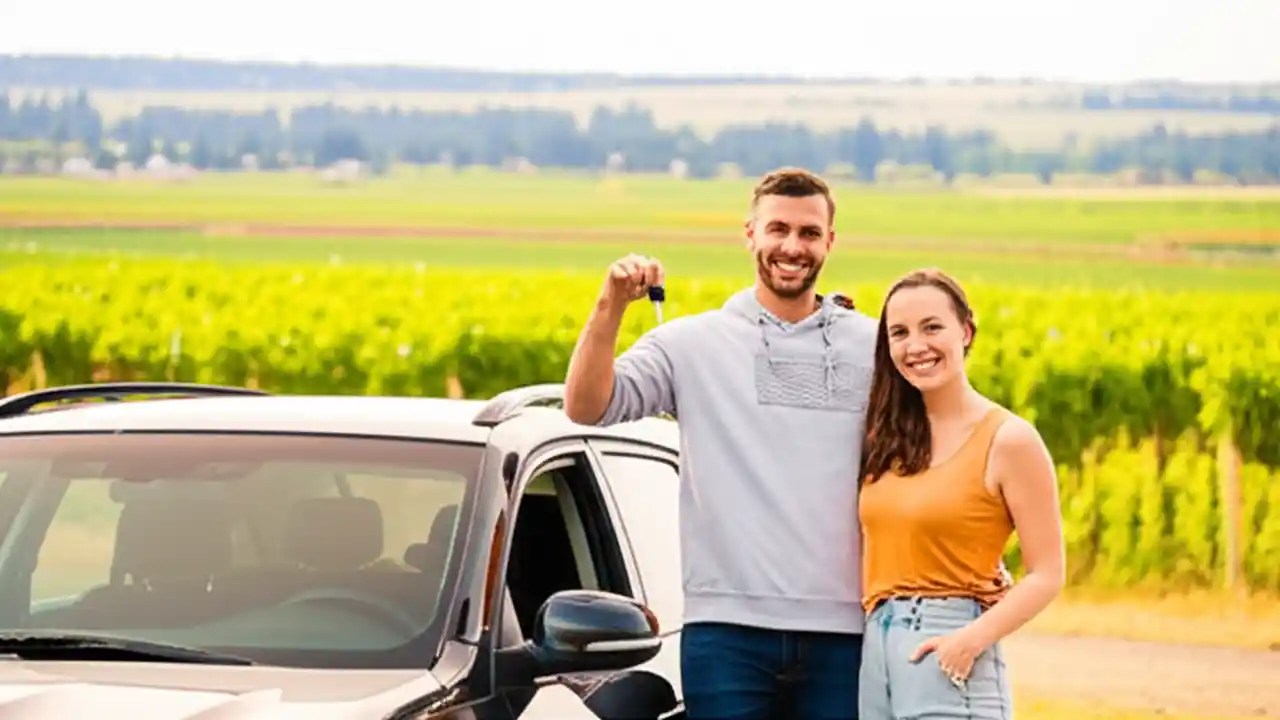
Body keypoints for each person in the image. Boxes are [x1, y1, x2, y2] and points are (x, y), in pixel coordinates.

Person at [563, 167, 878, 719]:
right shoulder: (690, 344)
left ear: (830, 242)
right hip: (727, 635)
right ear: (750, 233)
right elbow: (586, 406)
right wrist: (610, 304)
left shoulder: (872, 346)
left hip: (844, 631)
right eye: (777, 228)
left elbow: (936, 444)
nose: (791, 246)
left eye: (808, 233)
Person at [856, 268, 1065, 720]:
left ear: (966, 331)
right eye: (900, 333)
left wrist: (970, 640)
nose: (916, 346)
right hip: (875, 648)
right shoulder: (886, 439)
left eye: (932, 327)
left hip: (949, 643)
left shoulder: (1009, 440)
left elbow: (1048, 573)